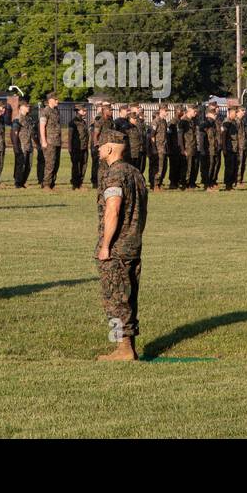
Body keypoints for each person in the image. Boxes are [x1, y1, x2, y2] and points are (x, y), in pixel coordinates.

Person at [94, 128, 148, 362]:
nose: (97, 149)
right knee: (128, 296)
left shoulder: (114, 174)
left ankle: (123, 348)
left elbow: (113, 209)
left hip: (117, 246)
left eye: (99, 146)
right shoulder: (135, 173)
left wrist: (105, 244)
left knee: (115, 298)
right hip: (133, 243)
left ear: (108, 148)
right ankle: (128, 346)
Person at [38, 93, 62, 191]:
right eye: (56, 99)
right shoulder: (45, 111)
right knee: (50, 163)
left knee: (56, 163)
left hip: (57, 141)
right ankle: (46, 184)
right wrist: (43, 141)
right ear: (50, 100)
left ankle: (52, 184)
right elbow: (42, 126)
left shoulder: (56, 111)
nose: (58, 101)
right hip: (49, 141)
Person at [12, 102, 34, 189]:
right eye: (26, 106)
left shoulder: (29, 118)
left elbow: (32, 132)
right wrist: (16, 147)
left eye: (29, 106)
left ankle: (23, 182)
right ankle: (18, 183)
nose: (28, 107)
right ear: (21, 107)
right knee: (21, 165)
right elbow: (14, 134)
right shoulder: (17, 119)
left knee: (28, 165)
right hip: (21, 145)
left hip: (29, 145)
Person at [67, 104, 88, 189]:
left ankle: (80, 182)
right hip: (76, 147)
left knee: (84, 165)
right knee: (76, 166)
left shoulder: (83, 122)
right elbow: (70, 136)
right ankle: (75, 184)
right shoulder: (73, 122)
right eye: (83, 110)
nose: (85, 112)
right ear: (78, 111)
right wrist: (70, 148)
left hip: (84, 146)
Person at [148, 104, 168, 191]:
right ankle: (155, 185)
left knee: (163, 167)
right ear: (161, 110)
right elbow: (152, 135)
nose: (167, 112)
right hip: (157, 147)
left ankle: (159, 184)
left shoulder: (164, 122)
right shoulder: (156, 121)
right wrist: (153, 148)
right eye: (165, 110)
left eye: (167, 111)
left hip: (163, 147)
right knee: (157, 167)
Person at [179, 105, 199, 190]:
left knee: (194, 166)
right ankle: (184, 184)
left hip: (193, 147)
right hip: (187, 147)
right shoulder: (183, 121)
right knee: (187, 167)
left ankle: (191, 183)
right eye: (194, 111)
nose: (196, 113)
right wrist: (182, 149)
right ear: (189, 111)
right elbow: (180, 136)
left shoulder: (192, 121)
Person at [222, 105, 239, 190]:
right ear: (230, 112)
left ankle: (231, 184)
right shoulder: (226, 122)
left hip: (234, 148)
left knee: (234, 167)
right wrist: (224, 148)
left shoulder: (234, 122)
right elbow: (223, 136)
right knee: (229, 167)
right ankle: (228, 185)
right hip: (228, 148)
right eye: (235, 112)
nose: (236, 114)